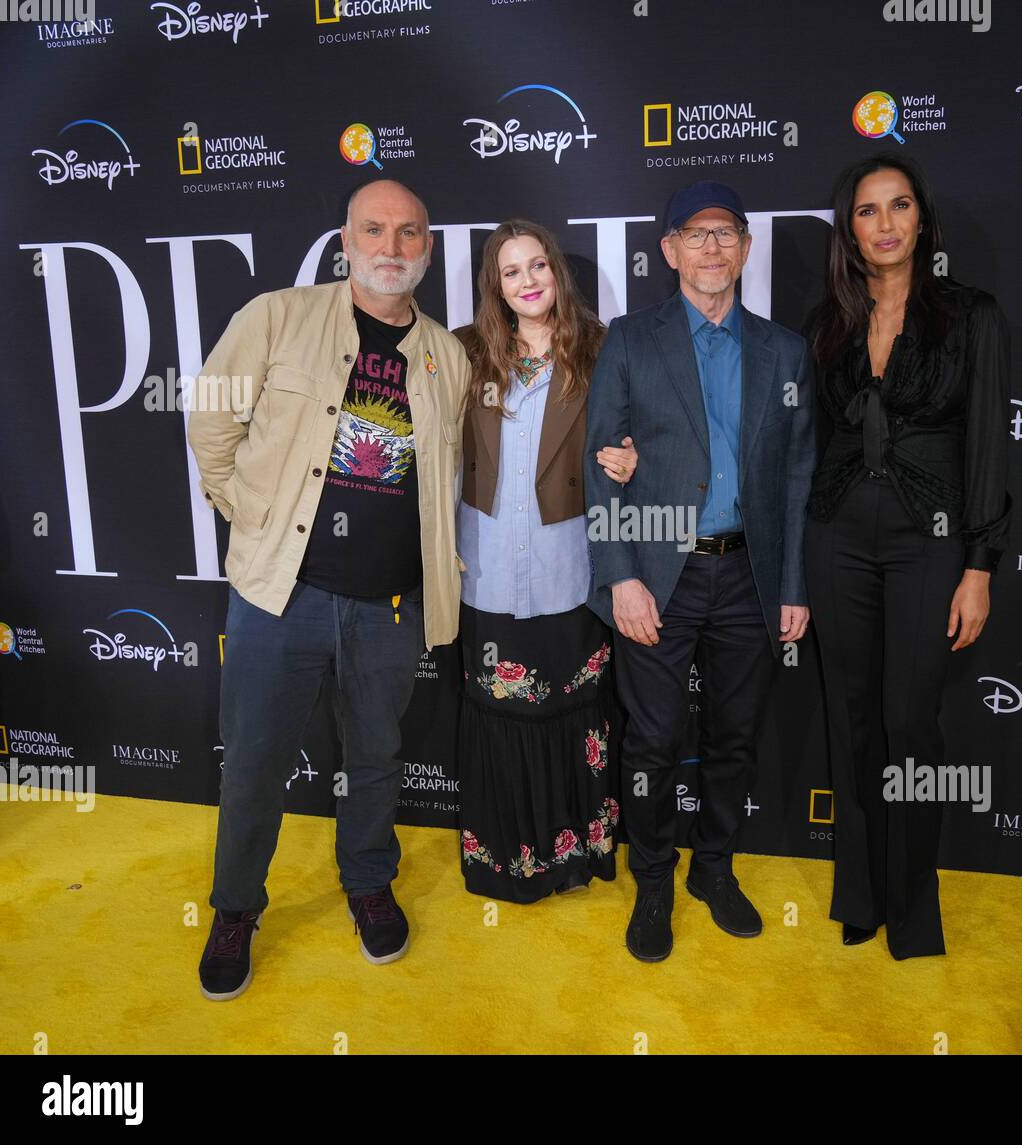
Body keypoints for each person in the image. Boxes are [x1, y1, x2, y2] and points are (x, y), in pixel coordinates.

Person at [188, 178, 470, 1000]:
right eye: (374, 230)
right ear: (345, 241)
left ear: (427, 248)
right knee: (253, 764)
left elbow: (452, 478)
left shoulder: (446, 357)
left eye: (409, 233)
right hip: (282, 598)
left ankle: (368, 882)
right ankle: (237, 907)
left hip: (390, 607)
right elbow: (212, 421)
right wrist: (253, 515)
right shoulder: (275, 318)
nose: (391, 247)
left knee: (376, 759)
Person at [585, 181, 815, 962]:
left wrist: (792, 585)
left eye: (726, 232)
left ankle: (711, 867)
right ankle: (653, 876)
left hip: (749, 577)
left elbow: (797, 476)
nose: (712, 246)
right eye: (696, 233)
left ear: (746, 248)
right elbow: (601, 462)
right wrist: (620, 575)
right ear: (670, 250)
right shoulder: (629, 338)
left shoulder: (784, 350)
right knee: (650, 740)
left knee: (735, 736)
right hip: (657, 574)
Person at [805, 153, 1012, 960]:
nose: (885, 224)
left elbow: (990, 446)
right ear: (849, 228)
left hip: (931, 542)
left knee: (908, 723)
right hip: (837, 535)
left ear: (922, 218)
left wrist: (980, 565)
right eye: (867, 211)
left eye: (899, 207)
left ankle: (912, 906)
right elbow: (817, 443)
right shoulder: (828, 325)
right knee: (850, 719)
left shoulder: (973, 317)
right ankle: (859, 892)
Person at [453, 220, 637, 903]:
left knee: (573, 713)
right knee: (498, 720)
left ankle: (572, 857)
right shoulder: (466, 352)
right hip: (487, 568)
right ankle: (504, 859)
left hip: (570, 570)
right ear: (494, 285)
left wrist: (632, 453)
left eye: (538, 266)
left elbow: (639, 429)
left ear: (557, 272)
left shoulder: (600, 348)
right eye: (511, 271)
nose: (528, 281)